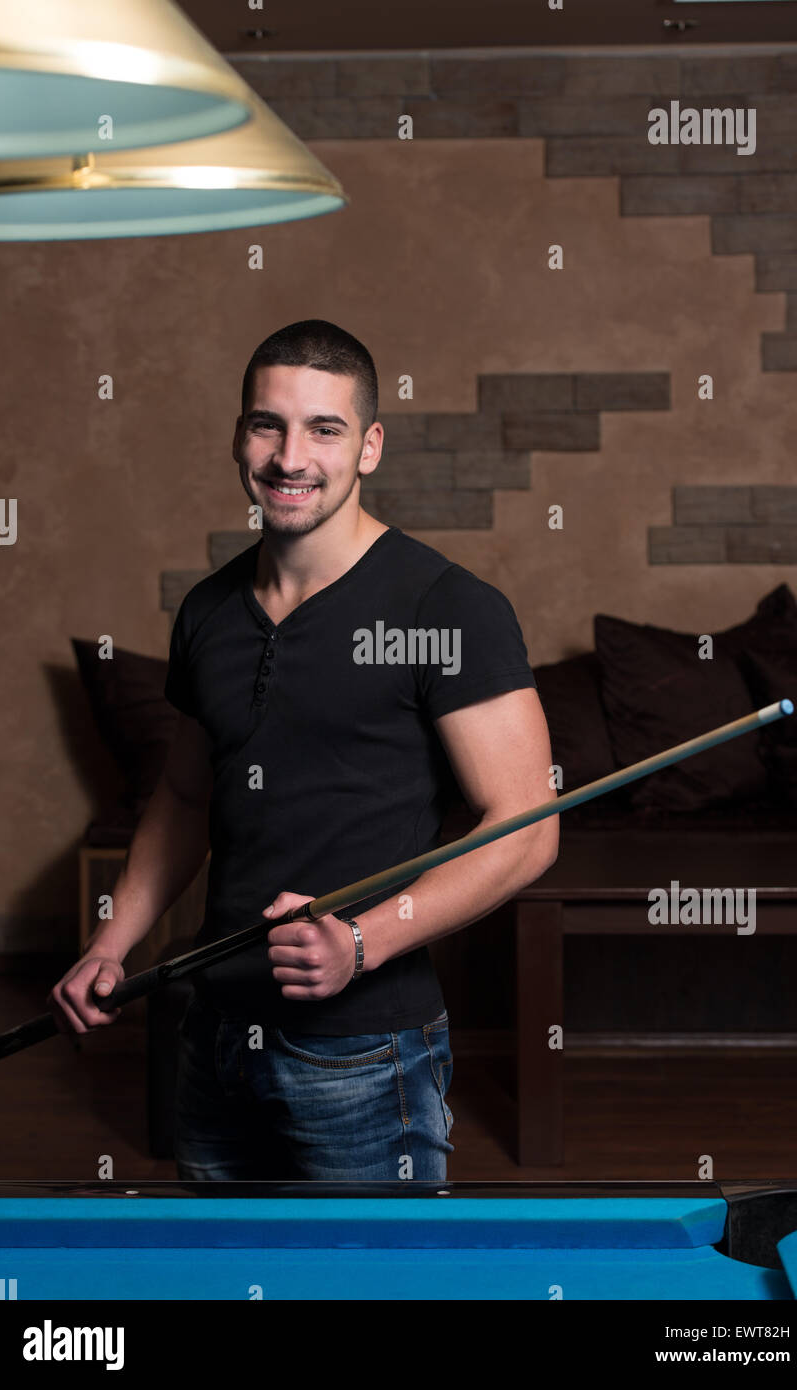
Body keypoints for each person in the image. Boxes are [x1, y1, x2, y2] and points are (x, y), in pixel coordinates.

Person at [48, 319, 558, 1180]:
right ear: (238, 437)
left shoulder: (445, 608)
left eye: (324, 428)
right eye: (267, 425)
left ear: (369, 447)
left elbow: (528, 826)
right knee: (231, 1279)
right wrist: (112, 942)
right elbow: (182, 798)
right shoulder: (208, 610)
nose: (290, 456)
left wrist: (362, 940)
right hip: (214, 1033)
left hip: (365, 1049)